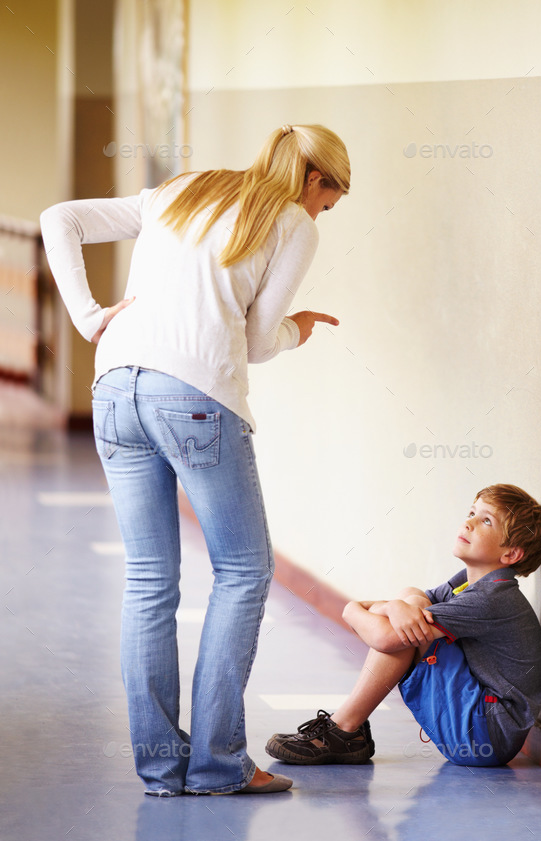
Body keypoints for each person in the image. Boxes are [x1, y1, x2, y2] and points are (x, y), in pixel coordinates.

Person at [40, 124, 350, 796]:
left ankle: (160, 768)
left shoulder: (178, 191)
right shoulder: (293, 220)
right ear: (316, 181)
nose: (324, 212)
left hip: (115, 383)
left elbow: (57, 218)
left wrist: (89, 315)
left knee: (150, 580)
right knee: (244, 569)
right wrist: (302, 328)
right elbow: (261, 339)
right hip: (195, 395)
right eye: (331, 199)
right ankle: (218, 764)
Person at [266, 483, 541, 768]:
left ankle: (344, 729)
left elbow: (387, 638)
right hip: (479, 723)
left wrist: (352, 609)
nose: (468, 522)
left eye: (486, 521)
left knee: (408, 620)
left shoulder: (493, 598)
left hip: (484, 735)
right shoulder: (468, 581)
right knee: (411, 599)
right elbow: (406, 610)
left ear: (510, 555)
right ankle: (347, 730)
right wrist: (392, 606)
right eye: (472, 512)